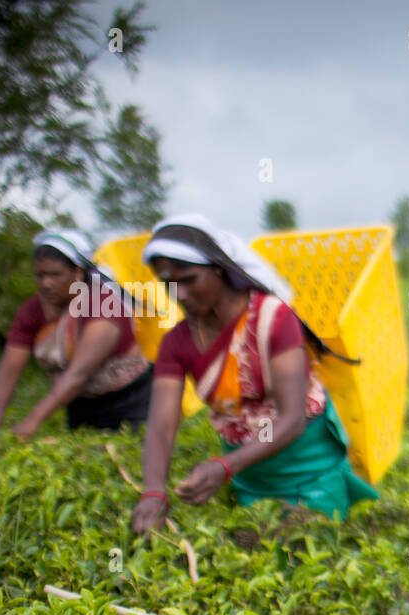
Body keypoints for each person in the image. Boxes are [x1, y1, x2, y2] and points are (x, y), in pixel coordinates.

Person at [130, 214, 377, 534]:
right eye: (169, 284)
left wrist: (223, 467)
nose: (181, 295)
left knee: (300, 542)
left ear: (218, 270)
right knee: (251, 537)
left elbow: (291, 419)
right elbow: (162, 426)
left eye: (189, 279)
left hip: (307, 469)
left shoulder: (273, 319)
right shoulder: (177, 342)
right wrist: (153, 492)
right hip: (250, 475)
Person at [0, 229, 151, 437]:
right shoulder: (32, 311)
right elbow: (9, 368)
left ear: (78, 273)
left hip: (131, 403)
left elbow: (78, 374)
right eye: (39, 275)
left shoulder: (103, 305)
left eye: (55, 274)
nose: (46, 283)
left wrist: (32, 421)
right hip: (79, 405)